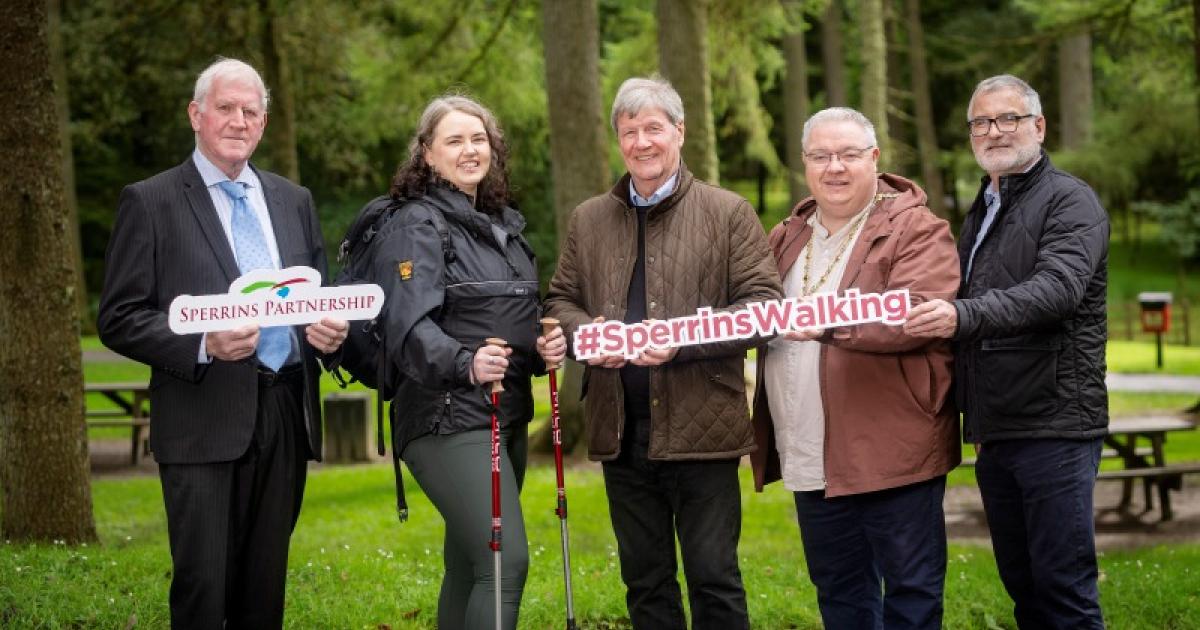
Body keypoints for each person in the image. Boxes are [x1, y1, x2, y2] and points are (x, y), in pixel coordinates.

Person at [97, 58, 348, 629]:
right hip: (201, 417)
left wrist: (330, 337)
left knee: (265, 588)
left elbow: (317, 297)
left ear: (263, 122)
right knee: (204, 590)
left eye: (251, 111)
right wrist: (202, 344)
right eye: (227, 108)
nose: (239, 120)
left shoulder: (293, 200)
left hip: (285, 411)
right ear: (196, 114)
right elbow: (119, 316)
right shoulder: (151, 201)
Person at [541, 76, 782, 630]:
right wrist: (590, 334)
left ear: (680, 132)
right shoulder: (589, 218)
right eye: (630, 131)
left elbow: (763, 308)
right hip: (621, 431)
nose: (642, 142)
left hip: (704, 430)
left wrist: (681, 340)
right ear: (618, 140)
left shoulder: (728, 213)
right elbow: (560, 300)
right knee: (645, 580)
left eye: (654, 128)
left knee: (713, 576)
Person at [904, 74, 1109, 629]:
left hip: (1056, 425)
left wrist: (960, 316)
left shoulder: (1070, 200)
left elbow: (1058, 290)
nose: (994, 131)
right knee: (1024, 586)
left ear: (1038, 126)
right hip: (999, 429)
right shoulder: (985, 207)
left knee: (1064, 589)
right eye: (981, 122)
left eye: (1008, 118)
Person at [748, 107, 960, 629]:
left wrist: (821, 323)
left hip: (893, 449)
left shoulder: (917, 229)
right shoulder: (786, 236)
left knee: (910, 597)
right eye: (820, 156)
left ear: (874, 159)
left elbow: (914, 316)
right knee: (841, 597)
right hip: (809, 451)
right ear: (804, 163)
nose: (834, 167)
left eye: (847, 154)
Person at [372, 95, 545, 630]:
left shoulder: (500, 226)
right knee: (503, 561)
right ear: (426, 154)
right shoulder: (414, 225)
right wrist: (467, 363)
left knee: (471, 564)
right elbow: (408, 327)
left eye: (479, 139)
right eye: (454, 140)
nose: (470, 150)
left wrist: (543, 348)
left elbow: (510, 318)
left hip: (505, 413)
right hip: (447, 417)